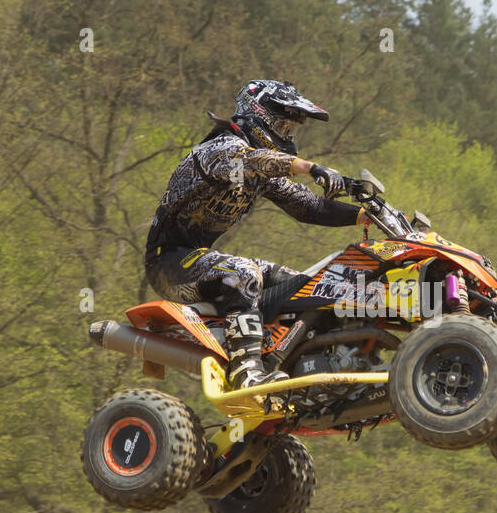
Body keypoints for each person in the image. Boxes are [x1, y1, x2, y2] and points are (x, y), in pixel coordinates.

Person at [144, 80, 368, 389]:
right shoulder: (221, 149)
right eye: (283, 125)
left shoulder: (260, 176)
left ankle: (292, 363)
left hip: (203, 262)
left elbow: (308, 206)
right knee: (244, 273)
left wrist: (365, 216)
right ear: (260, 115)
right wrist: (310, 167)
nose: (288, 134)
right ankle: (245, 372)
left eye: (292, 128)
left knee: (304, 284)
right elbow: (254, 160)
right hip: (169, 263)